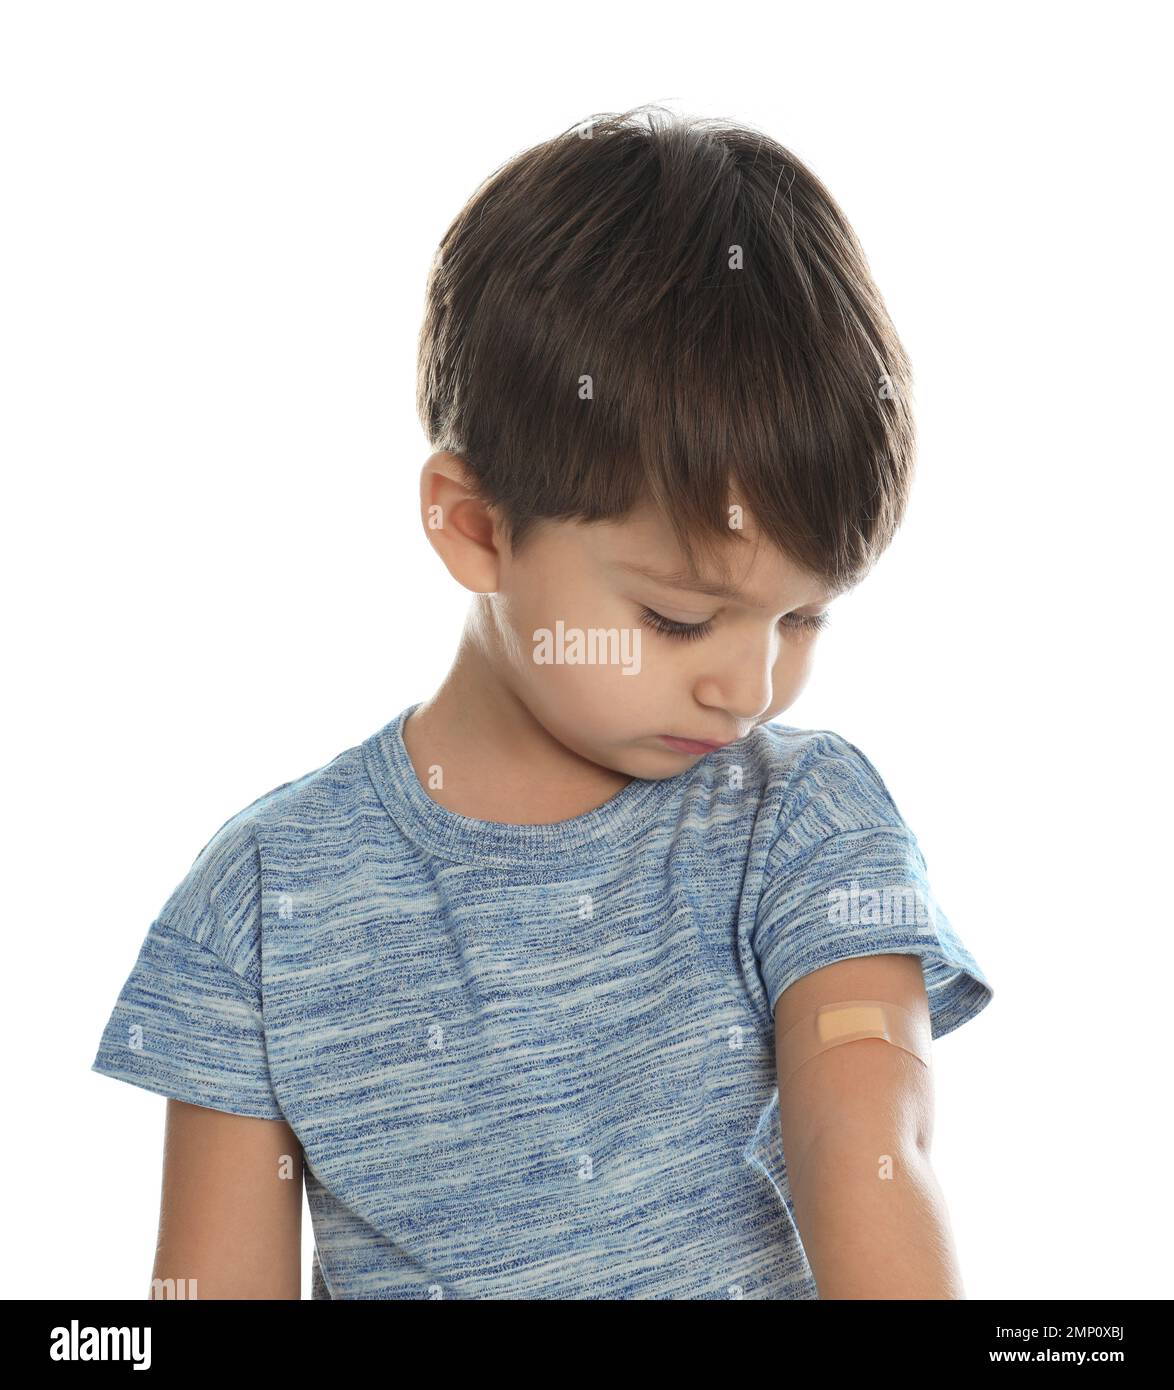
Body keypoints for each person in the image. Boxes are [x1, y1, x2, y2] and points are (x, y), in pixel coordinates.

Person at [92, 105, 994, 1300]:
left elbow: (872, 1144)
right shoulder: (263, 902)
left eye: (802, 617)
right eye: (679, 617)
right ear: (474, 526)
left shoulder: (806, 826)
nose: (749, 684)